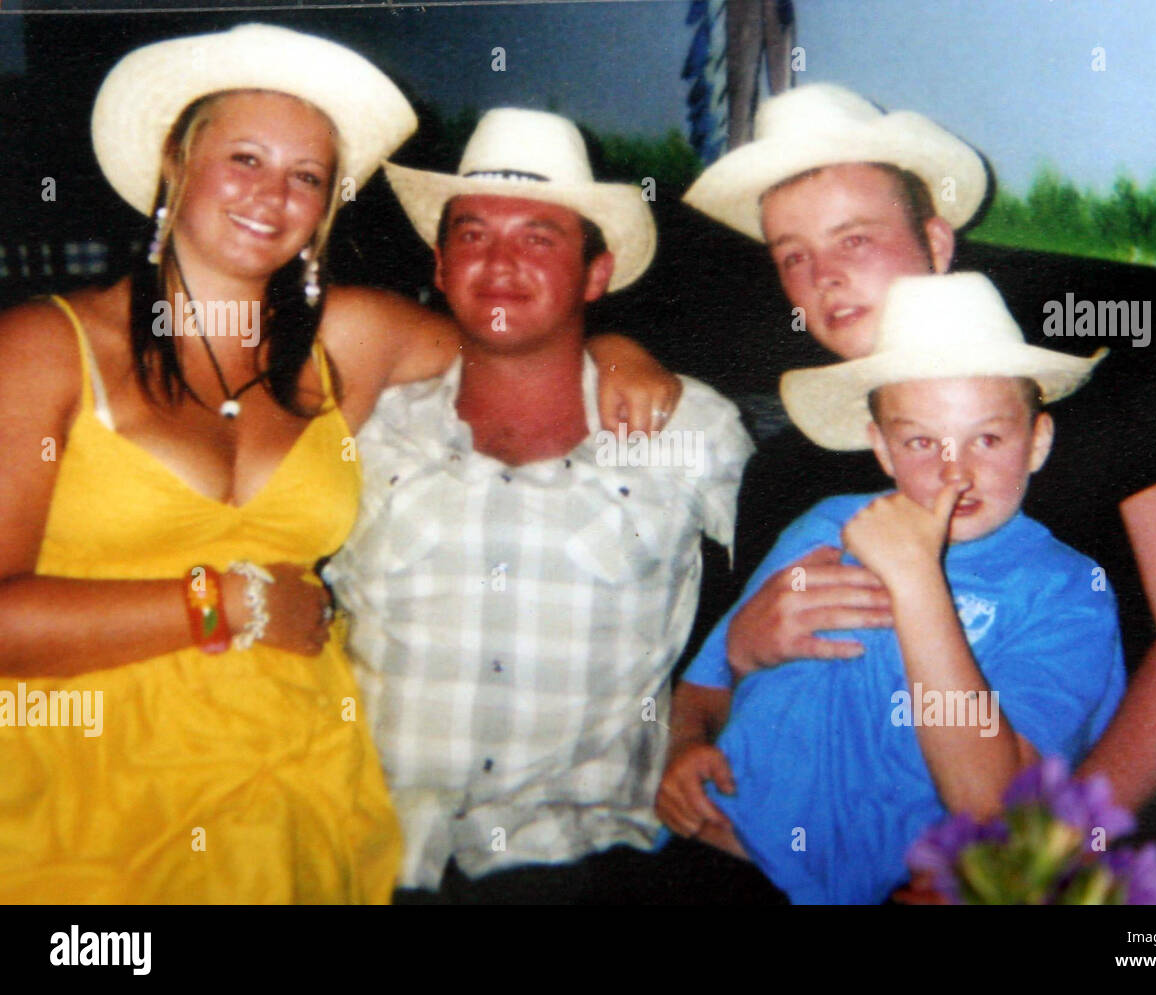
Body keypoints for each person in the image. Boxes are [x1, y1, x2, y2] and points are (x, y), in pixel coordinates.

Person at [0, 23, 678, 904]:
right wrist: (229, 601)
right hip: (77, 764)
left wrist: (621, 349)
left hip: (296, 770)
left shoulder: (349, 339)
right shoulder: (44, 347)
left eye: (306, 177)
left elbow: (521, 342)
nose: (272, 195)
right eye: (244, 158)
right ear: (177, 164)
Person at [657, 83, 1156, 855]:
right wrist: (710, 698)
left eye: (854, 239)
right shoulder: (786, 467)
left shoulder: (1109, 378)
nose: (825, 278)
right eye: (794, 257)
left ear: (937, 242)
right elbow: (718, 687)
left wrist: (1052, 851)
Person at [326, 107, 754, 903]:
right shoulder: (366, 418)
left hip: (584, 856)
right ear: (441, 265)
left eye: (539, 238)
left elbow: (781, 582)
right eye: (473, 235)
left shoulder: (694, 429)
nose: (498, 263)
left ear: (596, 274)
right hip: (360, 842)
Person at [675, 272, 1124, 903]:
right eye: (919, 441)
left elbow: (990, 809)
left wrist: (916, 578)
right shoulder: (826, 526)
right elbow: (703, 685)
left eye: (987, 438)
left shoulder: (1069, 592)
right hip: (719, 845)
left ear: (1037, 442)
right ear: (881, 449)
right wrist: (682, 749)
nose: (953, 471)